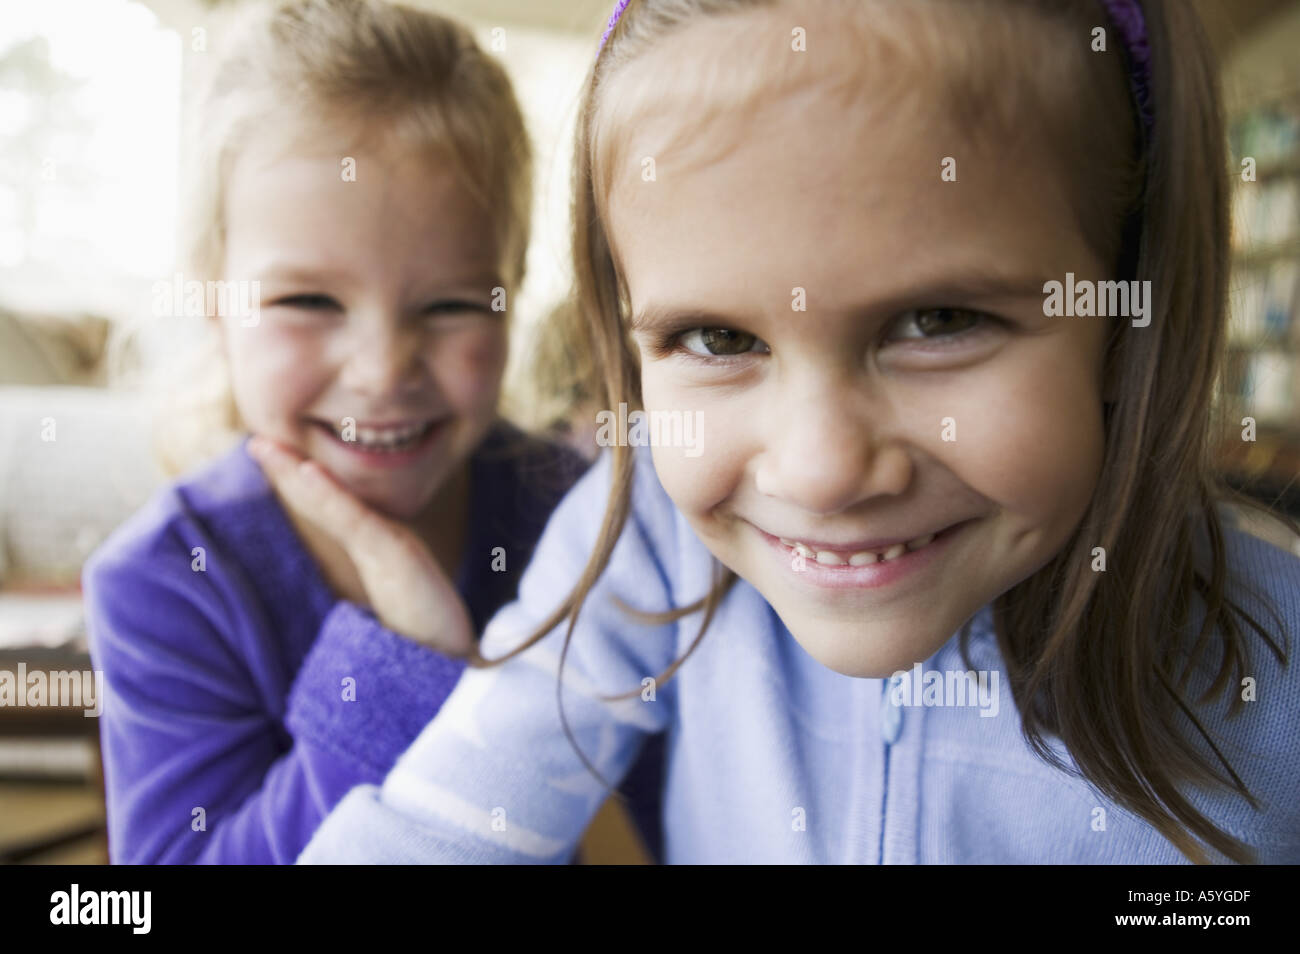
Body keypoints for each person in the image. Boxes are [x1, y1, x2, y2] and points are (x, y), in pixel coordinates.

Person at [295, 0, 1300, 863]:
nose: (821, 472)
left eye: (938, 321)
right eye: (718, 338)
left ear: (1130, 316)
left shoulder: (1279, 647)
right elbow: (433, 833)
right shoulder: (646, 540)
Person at [82, 0, 662, 864]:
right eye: (309, 300)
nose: (384, 369)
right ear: (212, 298)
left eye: (451, 304)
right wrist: (403, 662)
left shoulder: (584, 517)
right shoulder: (164, 583)